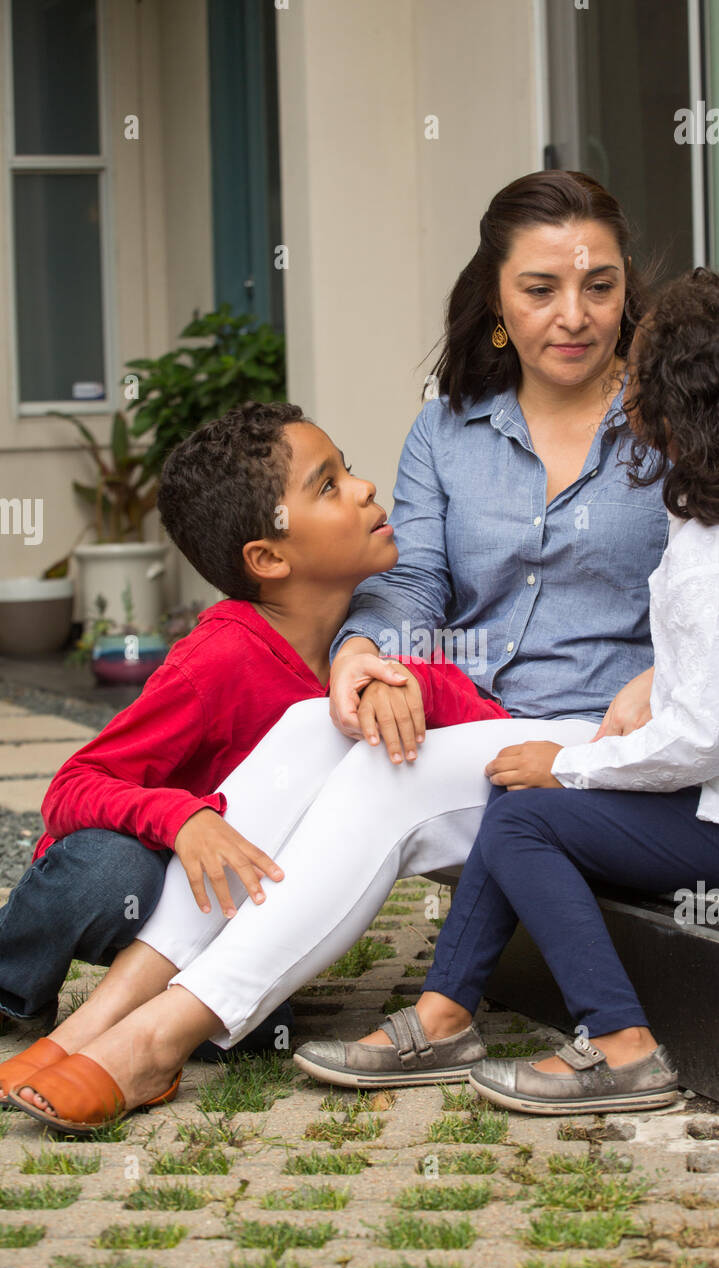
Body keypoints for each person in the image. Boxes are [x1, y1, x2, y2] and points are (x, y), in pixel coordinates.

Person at [5, 170, 673, 1131]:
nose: (574, 316)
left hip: (601, 737)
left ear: (625, 291)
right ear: (496, 298)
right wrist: (362, 655)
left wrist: (669, 670)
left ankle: (161, 1039)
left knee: (384, 775)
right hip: (472, 713)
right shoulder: (448, 434)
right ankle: (103, 1018)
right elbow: (410, 585)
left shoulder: (672, 423)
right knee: (307, 725)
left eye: (599, 286)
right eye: (540, 290)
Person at [296, 262, 719, 1113]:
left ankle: (622, 1046)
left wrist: (567, 764)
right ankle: (445, 1015)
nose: (620, 387)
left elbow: (707, 741)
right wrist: (646, 686)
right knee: (521, 803)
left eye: (638, 375)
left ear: (674, 413)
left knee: (527, 813)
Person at [0, 401, 512, 1130]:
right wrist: (183, 819)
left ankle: (151, 1031)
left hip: (239, 895)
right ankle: (17, 988)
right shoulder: (219, 659)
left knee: (241, 1037)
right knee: (108, 875)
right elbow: (73, 786)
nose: (366, 489)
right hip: (145, 867)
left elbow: (478, 737)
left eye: (349, 470)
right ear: (268, 559)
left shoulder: (374, 643)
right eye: (328, 485)